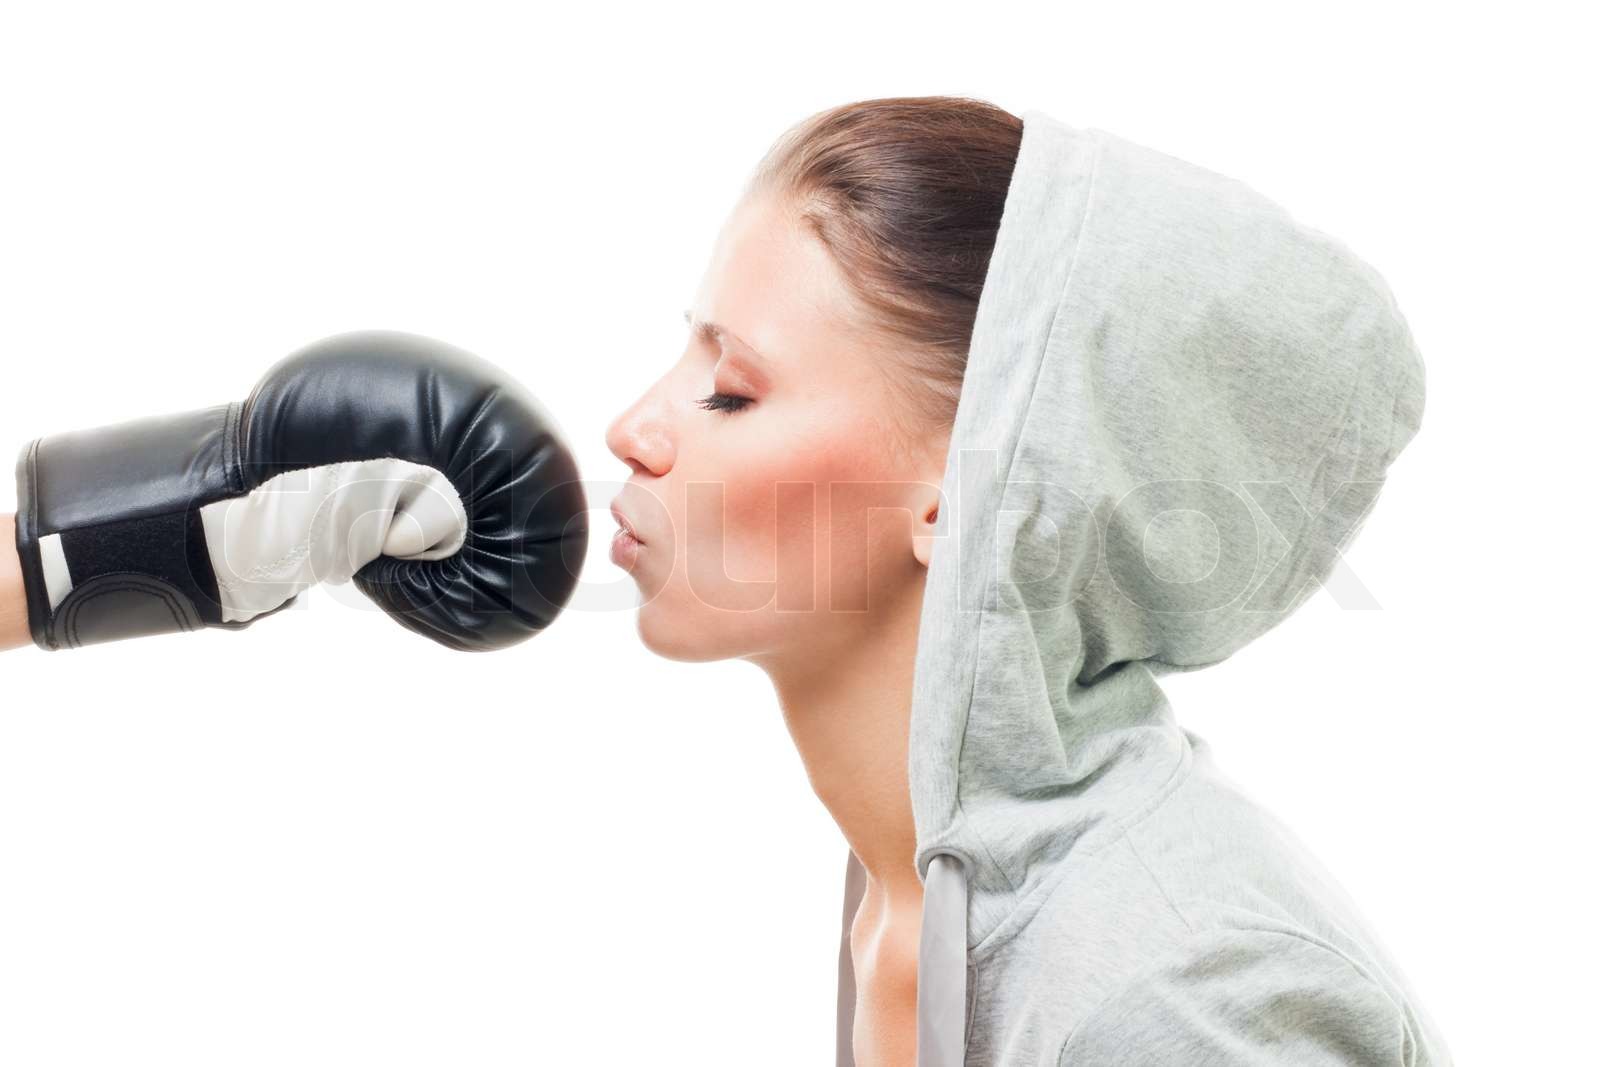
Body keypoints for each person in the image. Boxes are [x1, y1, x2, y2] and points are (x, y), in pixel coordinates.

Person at [604, 97, 1452, 1065]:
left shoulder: (1180, 992)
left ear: (964, 481)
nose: (631, 427)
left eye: (730, 392)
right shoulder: (912, 893)